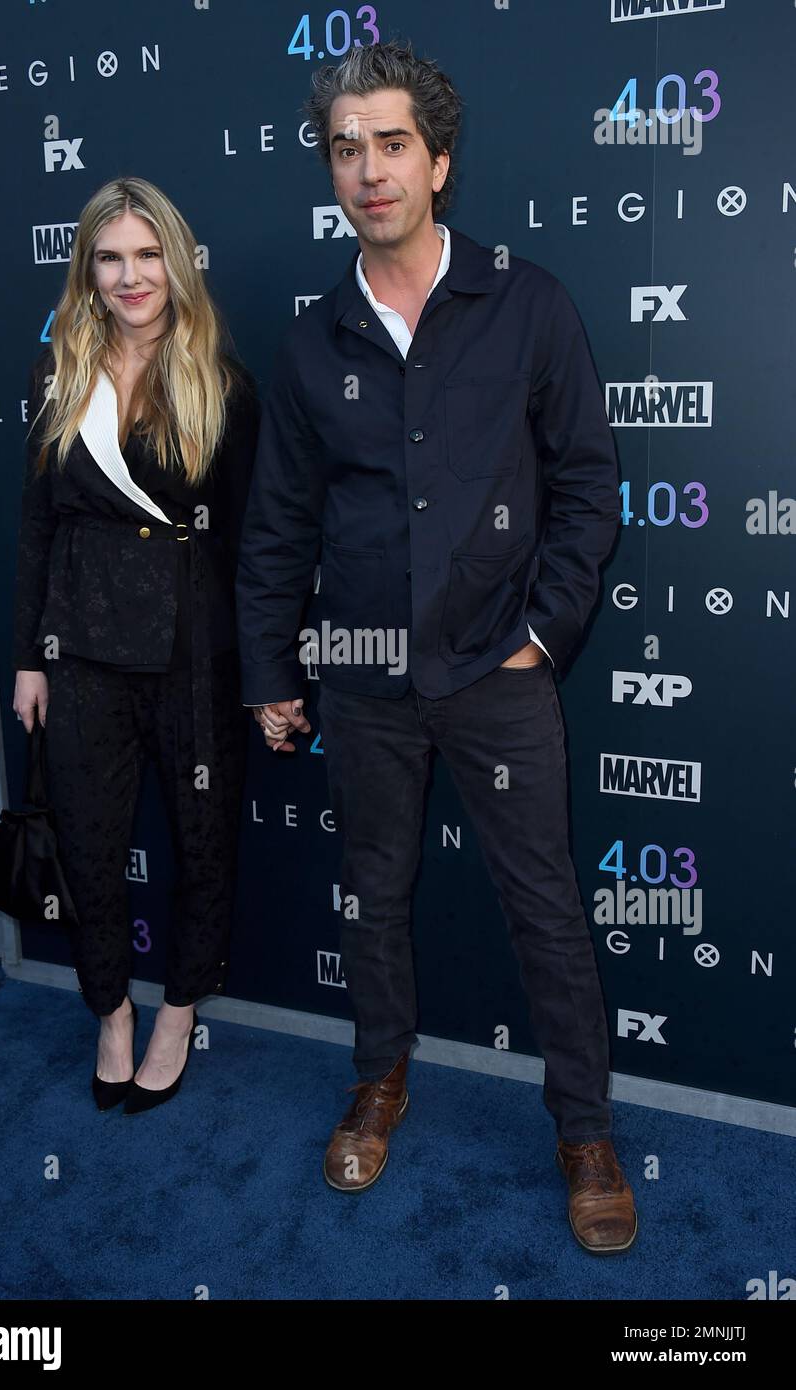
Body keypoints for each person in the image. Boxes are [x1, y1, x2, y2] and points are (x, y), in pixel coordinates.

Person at [235, 41, 634, 1253]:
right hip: (361, 677)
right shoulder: (311, 343)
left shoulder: (527, 302)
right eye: (345, 148)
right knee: (374, 899)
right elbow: (278, 526)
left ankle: (584, 1132)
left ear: (439, 161)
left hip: (497, 675)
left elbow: (588, 483)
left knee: (549, 914)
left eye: (391, 143)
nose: (367, 169)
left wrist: (542, 633)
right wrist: (271, 671)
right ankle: (378, 1081)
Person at [12, 176, 259, 1114]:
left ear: (178, 261)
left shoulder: (222, 383)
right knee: (88, 842)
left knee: (203, 843)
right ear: (88, 269)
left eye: (148, 255)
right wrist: (31, 657)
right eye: (110, 257)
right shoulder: (55, 375)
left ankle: (179, 1011)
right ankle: (110, 1008)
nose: (130, 276)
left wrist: (264, 672)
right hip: (79, 650)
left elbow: (250, 542)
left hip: (194, 653)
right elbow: (37, 524)